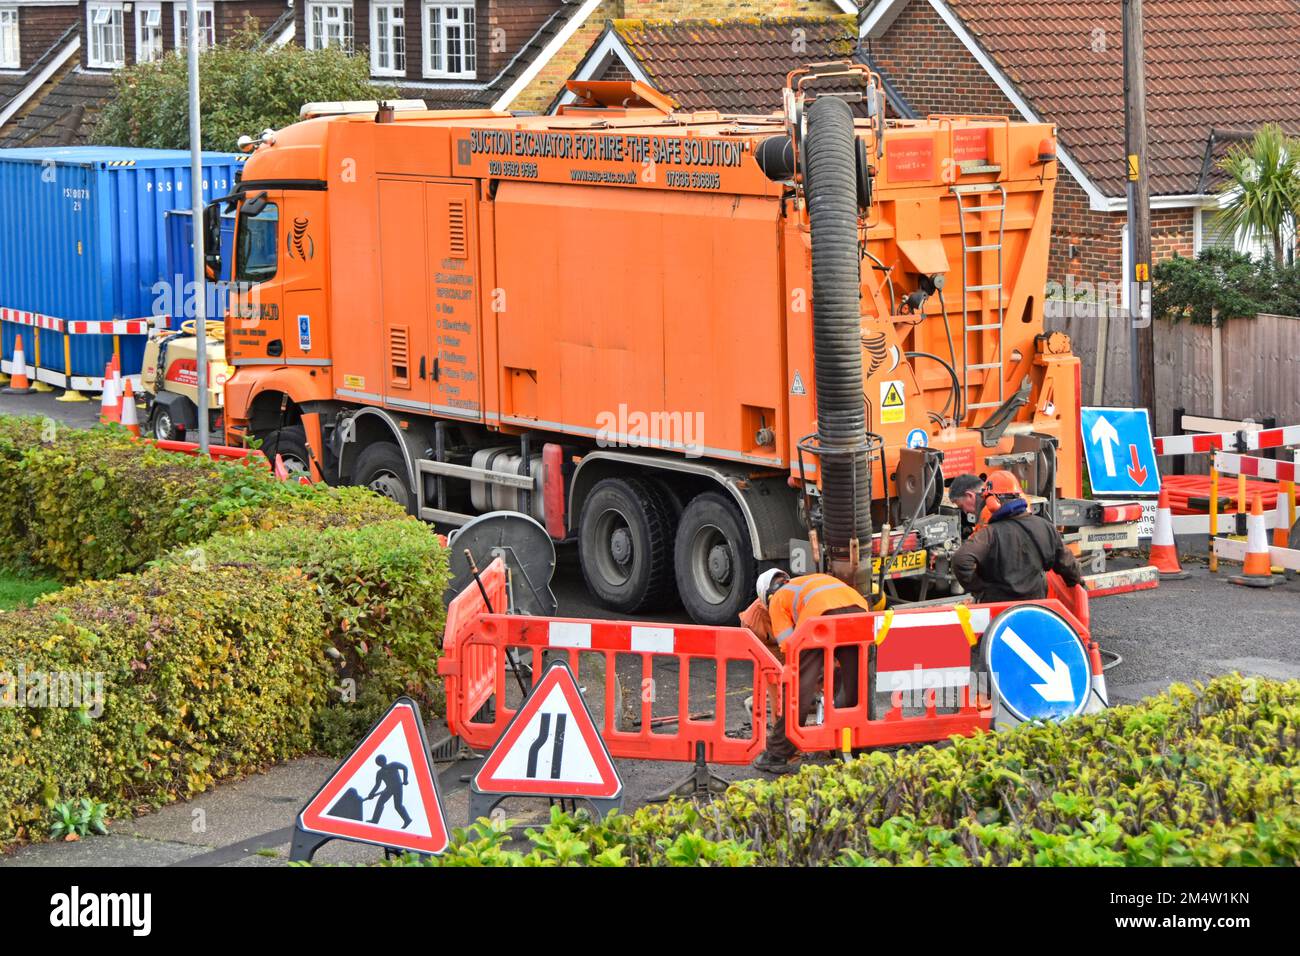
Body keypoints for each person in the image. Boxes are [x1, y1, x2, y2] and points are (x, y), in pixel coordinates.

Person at [749, 568, 872, 774]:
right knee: (855, 685)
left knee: (798, 686)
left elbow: (789, 646)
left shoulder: (778, 598)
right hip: (860, 612)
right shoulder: (807, 582)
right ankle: (854, 746)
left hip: (820, 618)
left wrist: (810, 672)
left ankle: (777, 753)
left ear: (767, 596)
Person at [951, 470, 1082, 602]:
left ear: (992, 502)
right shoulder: (1045, 527)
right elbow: (1068, 565)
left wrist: (981, 588)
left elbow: (960, 559)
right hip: (1036, 606)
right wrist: (1078, 586)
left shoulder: (989, 534)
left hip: (1000, 612)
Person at [364, 754, 412, 829]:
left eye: (380, 761)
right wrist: (371, 793)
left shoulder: (393, 765)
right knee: (380, 803)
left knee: (398, 806)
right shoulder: (380, 773)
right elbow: (377, 785)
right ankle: (375, 820)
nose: (380, 763)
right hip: (388, 789)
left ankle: (407, 820)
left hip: (397, 787)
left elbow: (404, 768)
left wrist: (405, 779)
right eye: (378, 762)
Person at [948, 473, 986, 539]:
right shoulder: (983, 510)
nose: (965, 512)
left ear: (969, 495)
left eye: (962, 506)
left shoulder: (989, 514)